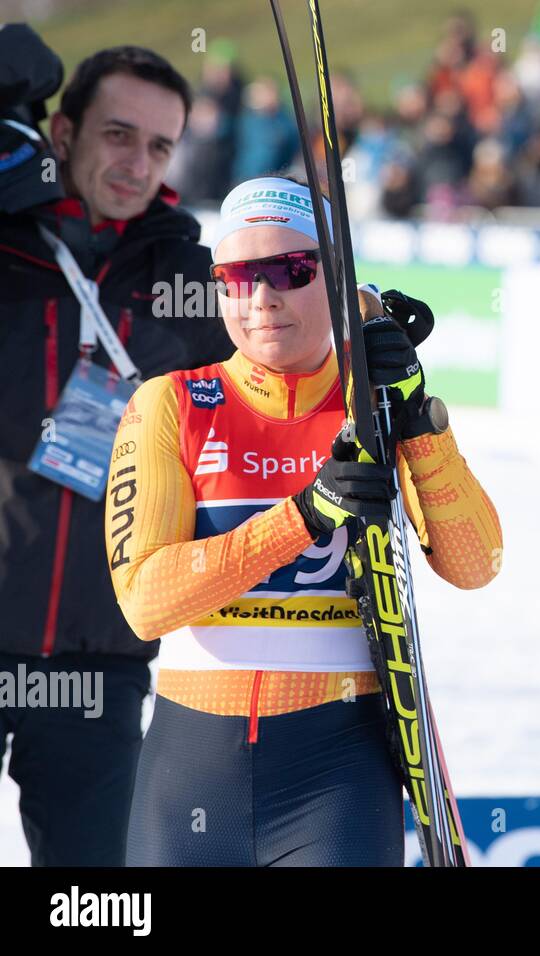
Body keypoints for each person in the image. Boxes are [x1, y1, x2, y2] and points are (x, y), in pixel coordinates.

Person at [104, 176, 502, 866]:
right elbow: (145, 603)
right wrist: (303, 516)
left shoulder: (371, 410)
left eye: (291, 270)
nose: (261, 299)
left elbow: (475, 565)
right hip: (191, 770)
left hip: (337, 775)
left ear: (339, 280)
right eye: (238, 276)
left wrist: (416, 421)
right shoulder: (172, 404)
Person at [0, 35, 233, 866]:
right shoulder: (7, 248)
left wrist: (373, 323)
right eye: (118, 134)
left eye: (160, 144)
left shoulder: (185, 277)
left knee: (96, 894)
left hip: (104, 654)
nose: (139, 163)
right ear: (62, 135)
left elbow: (289, 343)